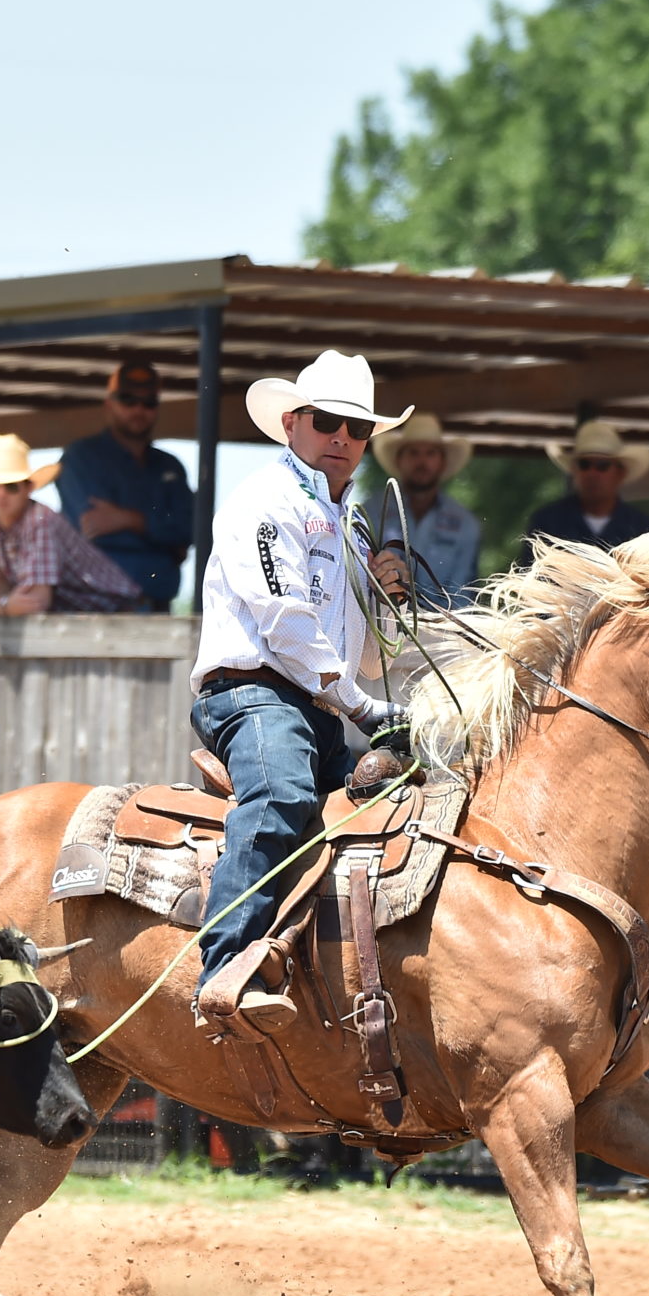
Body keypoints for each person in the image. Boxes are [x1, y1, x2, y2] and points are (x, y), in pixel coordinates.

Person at [189, 352, 413, 1030]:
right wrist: (363, 706)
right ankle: (222, 972)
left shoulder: (353, 522)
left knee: (392, 810)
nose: (342, 438)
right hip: (249, 694)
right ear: (292, 423)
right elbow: (283, 622)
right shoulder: (266, 501)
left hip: (317, 705)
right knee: (284, 795)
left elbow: (370, 658)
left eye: (358, 428)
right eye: (328, 422)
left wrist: (389, 599)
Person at [55, 359, 195, 611]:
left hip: (158, 609)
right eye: (128, 400)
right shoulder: (80, 458)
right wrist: (166, 547)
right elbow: (91, 529)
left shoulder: (170, 466)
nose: (138, 409)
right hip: (93, 611)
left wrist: (130, 520)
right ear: (109, 405)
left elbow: (191, 530)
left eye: (149, 402)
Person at [0, 433, 145, 616]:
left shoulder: (40, 519)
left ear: (29, 487)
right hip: (81, 618)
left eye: (11, 486)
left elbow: (35, 602)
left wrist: (1, 605)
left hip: (121, 611)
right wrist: (6, 605)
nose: (0, 494)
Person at [361, 412, 482, 606]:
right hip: (382, 624)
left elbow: (462, 595)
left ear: (442, 462)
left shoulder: (465, 524)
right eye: (414, 453)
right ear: (399, 460)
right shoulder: (370, 512)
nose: (422, 462)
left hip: (444, 629)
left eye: (430, 453)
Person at [525, 420, 649, 559]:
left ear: (620, 473)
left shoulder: (643, 529)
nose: (592, 473)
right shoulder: (547, 522)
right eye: (584, 465)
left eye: (602, 465)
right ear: (574, 470)